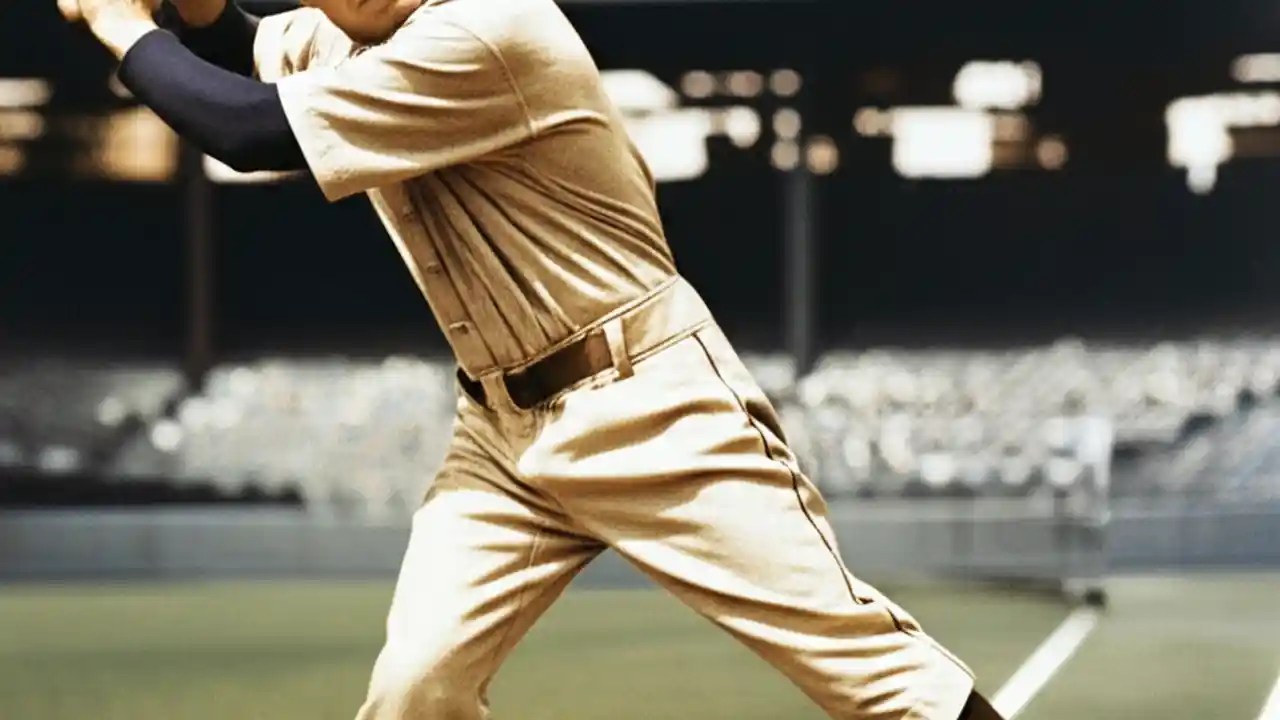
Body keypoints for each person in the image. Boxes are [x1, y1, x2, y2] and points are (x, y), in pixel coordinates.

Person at [58, 0, 1003, 716]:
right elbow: (249, 56)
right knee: (412, 695)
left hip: (647, 402)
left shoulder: (485, 31)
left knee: (868, 674)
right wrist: (189, 11)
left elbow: (248, 129)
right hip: (500, 434)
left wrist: (115, 23)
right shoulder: (343, 41)